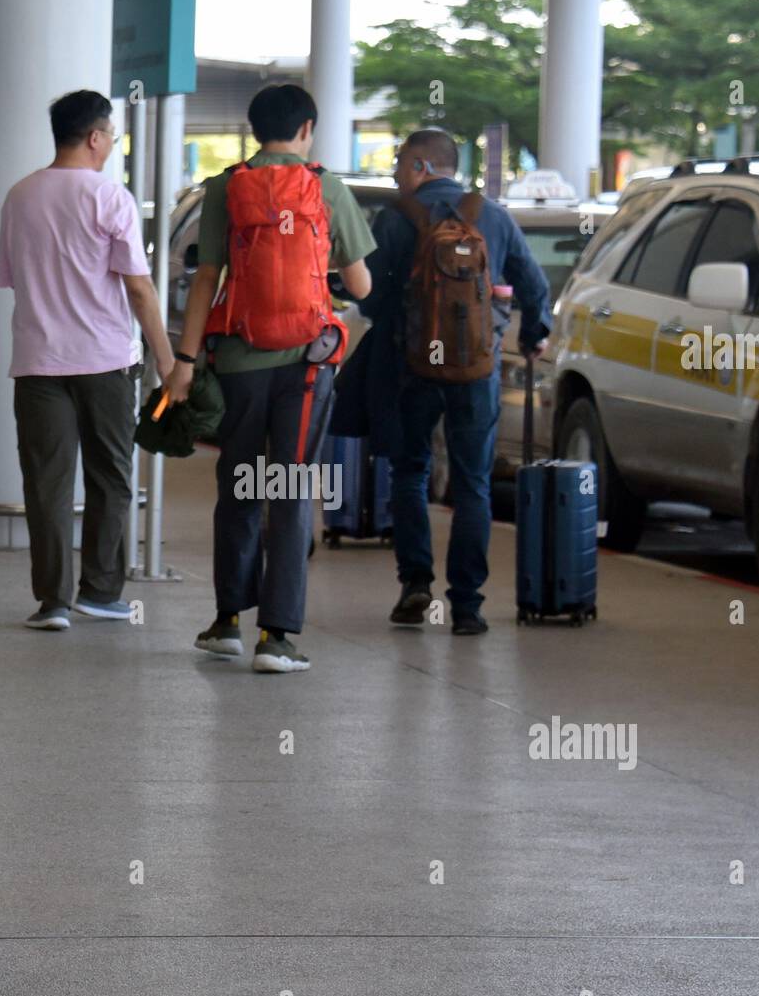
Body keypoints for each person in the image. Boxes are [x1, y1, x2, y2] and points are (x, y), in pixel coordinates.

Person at [167, 83, 375, 673]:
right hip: (306, 366)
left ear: (255, 130)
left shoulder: (226, 186)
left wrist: (184, 364)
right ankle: (277, 637)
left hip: (237, 360)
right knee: (289, 490)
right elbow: (361, 287)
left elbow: (205, 279)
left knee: (239, 486)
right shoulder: (326, 185)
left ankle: (228, 621)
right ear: (307, 128)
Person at [0, 89, 174, 630]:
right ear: (95, 137)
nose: (111, 146)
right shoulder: (110, 197)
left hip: (37, 362)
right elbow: (139, 291)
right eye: (112, 137)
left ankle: (52, 601)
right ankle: (100, 592)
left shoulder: (19, 196)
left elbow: (13, 279)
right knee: (111, 478)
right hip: (106, 362)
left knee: (46, 483)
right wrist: (168, 361)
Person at [366, 129, 551, 636]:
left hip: (414, 368)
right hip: (475, 368)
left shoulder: (396, 218)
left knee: (410, 474)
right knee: (472, 485)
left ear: (423, 167)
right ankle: (466, 606)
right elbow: (535, 285)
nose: (396, 173)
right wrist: (534, 333)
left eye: (402, 163)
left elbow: (370, 296)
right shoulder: (492, 215)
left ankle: (415, 586)